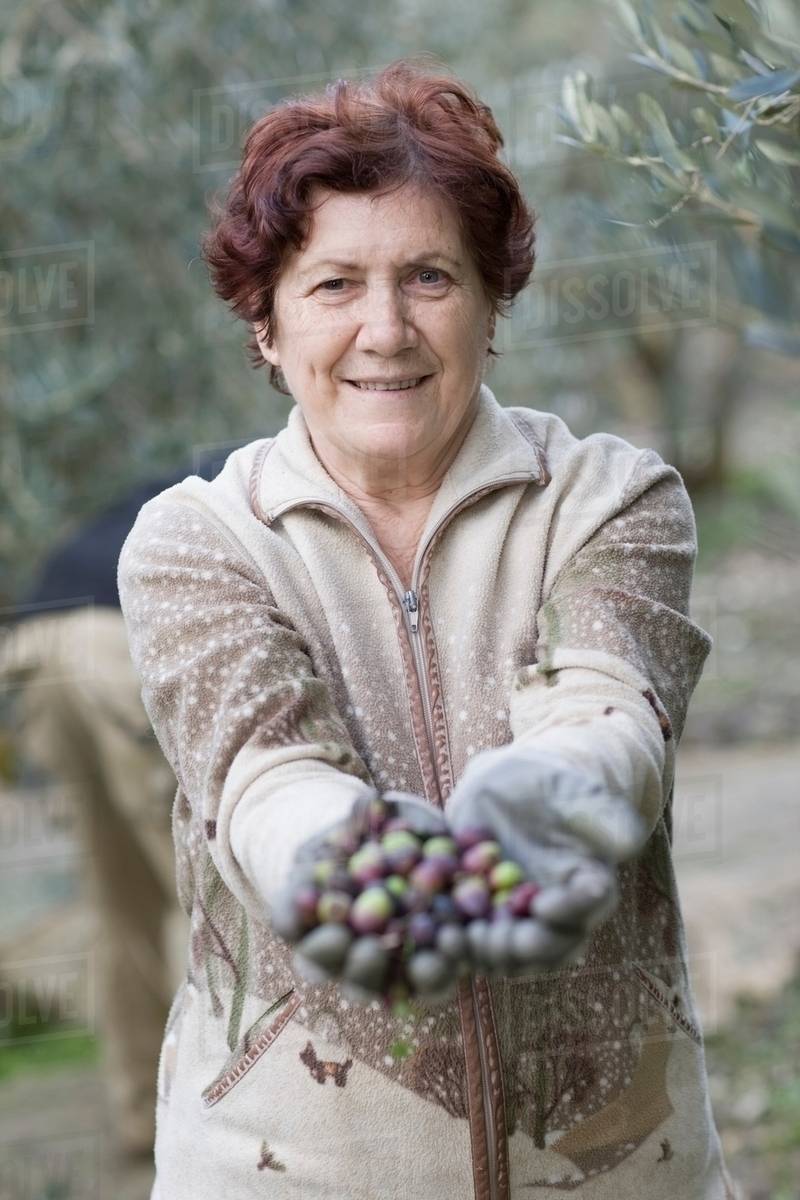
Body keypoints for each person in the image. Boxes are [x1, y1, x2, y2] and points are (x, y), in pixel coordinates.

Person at [117, 58, 741, 1199]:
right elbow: (264, 768)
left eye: (429, 277)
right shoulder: (200, 539)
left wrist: (556, 801)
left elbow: (607, 699)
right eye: (333, 285)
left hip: (615, 1170)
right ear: (263, 324)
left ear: (492, 305)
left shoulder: (608, 499)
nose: (385, 328)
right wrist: (339, 864)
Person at [3, 446, 245, 1157]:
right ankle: (218, 1118)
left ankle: (141, 1114)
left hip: (33, 647)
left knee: (121, 899)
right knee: (199, 891)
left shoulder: (194, 472)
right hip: (114, 642)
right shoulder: (285, 476)